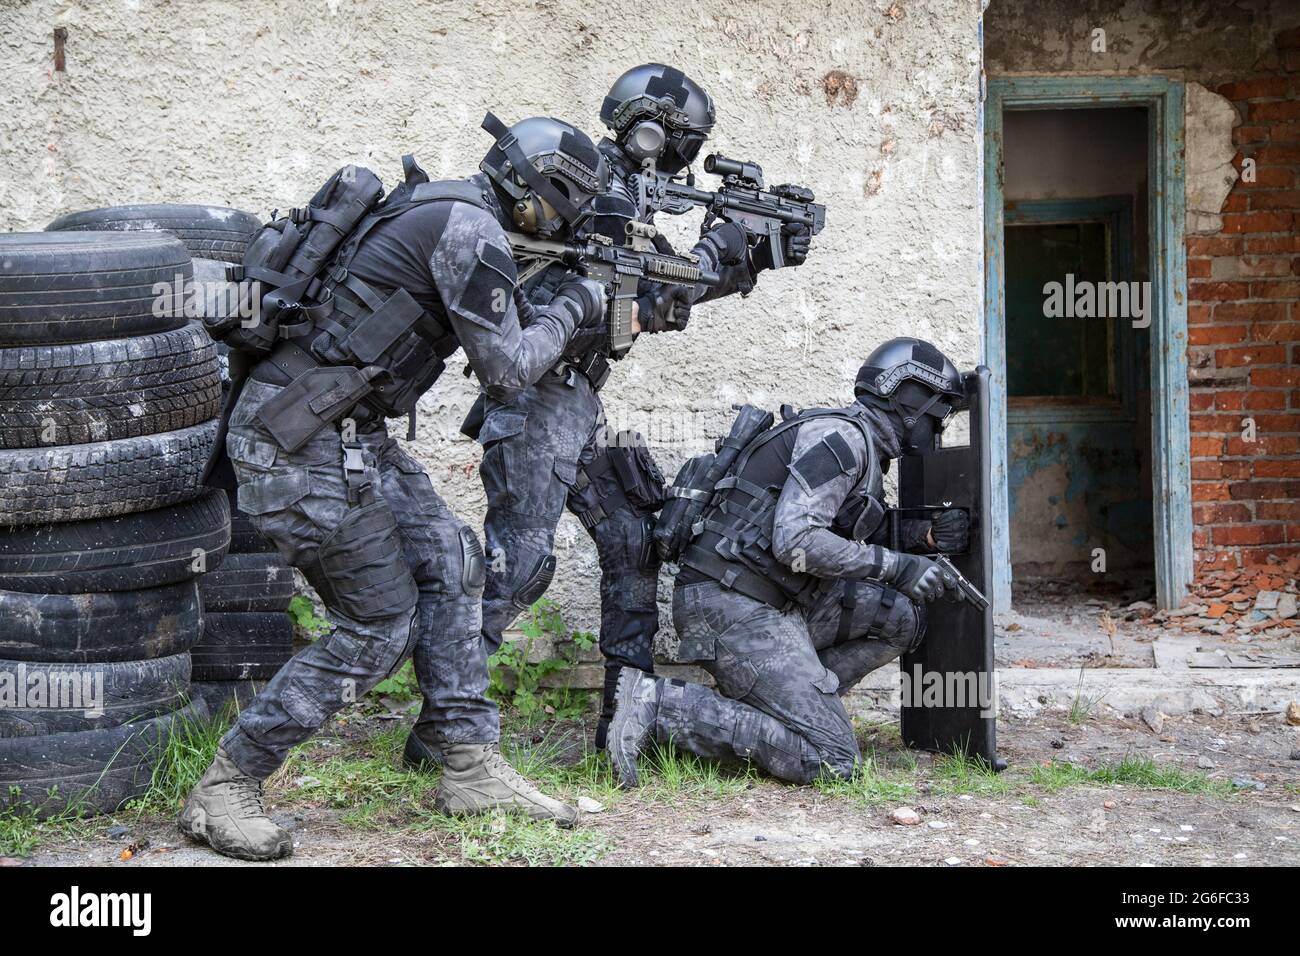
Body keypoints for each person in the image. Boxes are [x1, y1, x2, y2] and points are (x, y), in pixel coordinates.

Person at [179, 116, 610, 861]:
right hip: (297, 440)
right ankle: (228, 783)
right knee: (379, 625)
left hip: (346, 430)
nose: (564, 220)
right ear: (539, 190)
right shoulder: (469, 230)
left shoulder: (445, 209)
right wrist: (577, 305)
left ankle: (469, 766)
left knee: (452, 559)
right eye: (565, 205)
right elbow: (507, 371)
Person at [403, 64, 814, 767]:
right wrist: (721, 248)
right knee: (518, 566)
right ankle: (442, 729)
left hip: (574, 401)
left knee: (632, 534)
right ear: (654, 132)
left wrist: (752, 256)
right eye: (686, 142)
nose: (685, 158)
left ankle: (629, 708)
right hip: (537, 401)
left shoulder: (616, 197)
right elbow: (648, 294)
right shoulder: (589, 190)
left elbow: (662, 292)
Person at [606, 337, 970, 786]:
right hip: (732, 606)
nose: (936, 430)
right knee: (834, 761)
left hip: (771, 601)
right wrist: (896, 566)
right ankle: (659, 704)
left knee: (899, 618)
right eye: (937, 415)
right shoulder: (841, 440)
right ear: (909, 401)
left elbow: (845, 531)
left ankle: (793, 708)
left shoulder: (858, 444)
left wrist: (923, 536)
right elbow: (796, 540)